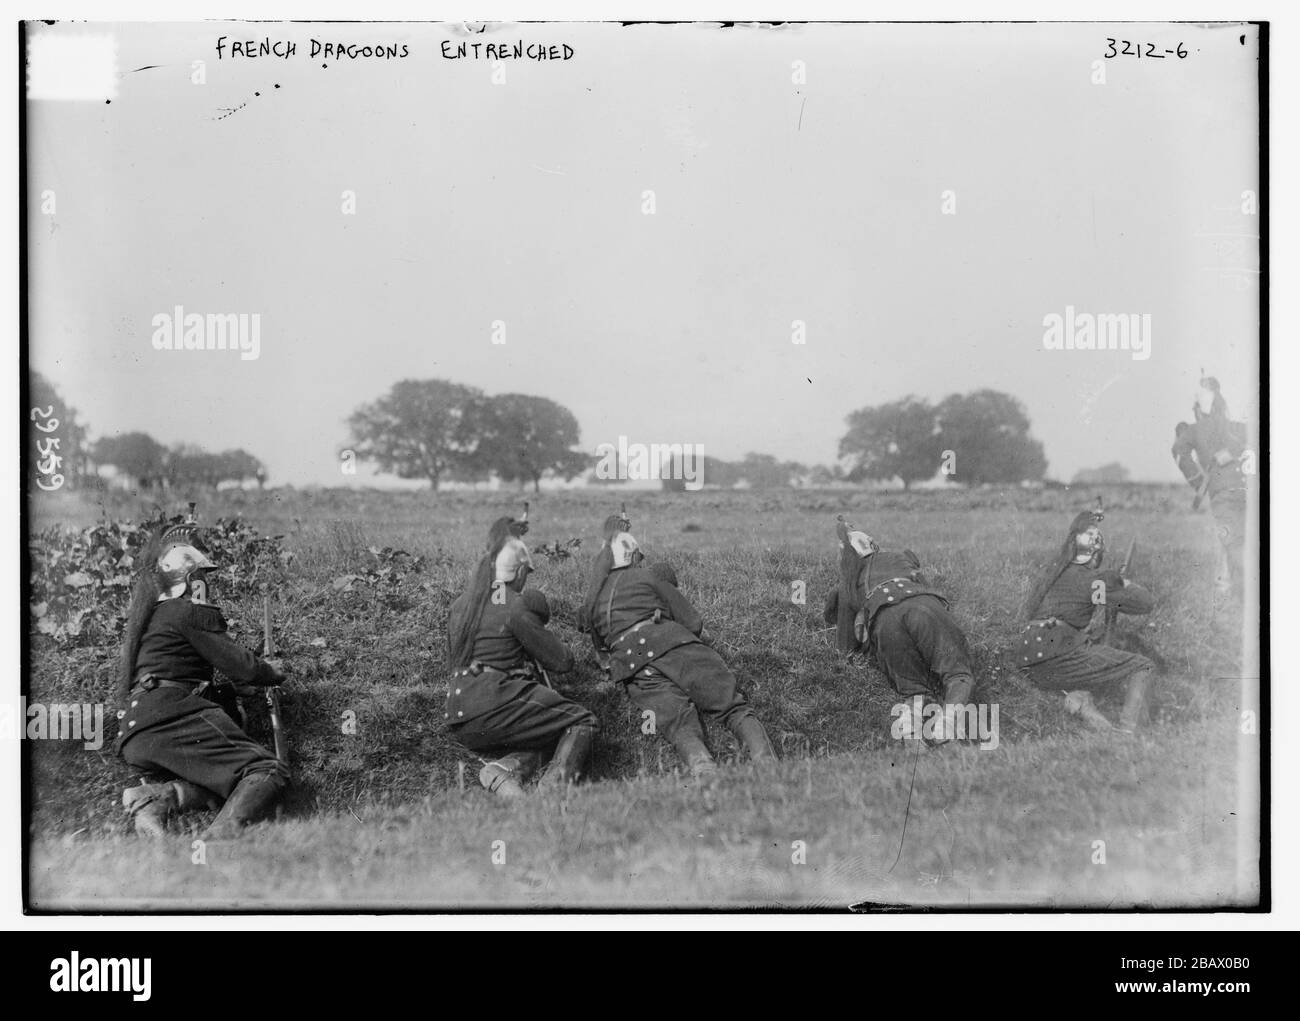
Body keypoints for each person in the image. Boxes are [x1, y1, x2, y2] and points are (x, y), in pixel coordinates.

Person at [116, 520, 290, 839]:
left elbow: (181, 671)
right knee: (267, 770)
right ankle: (218, 843)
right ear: (173, 569)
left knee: (228, 783)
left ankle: (155, 798)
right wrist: (271, 671)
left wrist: (235, 688)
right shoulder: (185, 611)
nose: (201, 579)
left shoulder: (152, 616)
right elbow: (244, 666)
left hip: (139, 731)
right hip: (170, 717)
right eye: (195, 569)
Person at [581, 511, 777, 780]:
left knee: (676, 722)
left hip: (632, 667)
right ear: (632, 556)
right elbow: (693, 622)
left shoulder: (595, 598)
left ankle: (703, 768)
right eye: (639, 556)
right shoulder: (647, 578)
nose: (642, 560)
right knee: (732, 707)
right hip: (673, 645)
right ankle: (766, 764)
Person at [445, 514, 596, 798]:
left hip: (459, 716)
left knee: (547, 728)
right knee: (581, 720)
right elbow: (562, 662)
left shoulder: (459, 606)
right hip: (495, 704)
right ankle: (553, 792)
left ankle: (504, 771)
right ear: (519, 572)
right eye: (527, 573)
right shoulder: (514, 605)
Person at [822, 516, 977, 741]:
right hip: (922, 604)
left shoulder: (846, 585)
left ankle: (912, 737)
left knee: (913, 691)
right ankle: (947, 726)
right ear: (873, 546)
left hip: (884, 620)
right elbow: (925, 585)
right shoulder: (899, 557)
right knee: (958, 674)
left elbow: (845, 647)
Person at [1017, 507, 1156, 733]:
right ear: (1095, 555)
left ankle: (1082, 704)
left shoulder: (1053, 573)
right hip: (1059, 654)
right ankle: (1129, 733)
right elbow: (1145, 603)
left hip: (1029, 660)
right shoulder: (1094, 580)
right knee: (1144, 666)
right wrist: (1124, 583)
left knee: (1093, 664)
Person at [1171, 375, 1250, 594]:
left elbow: (1179, 452)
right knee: (1235, 541)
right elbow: (1180, 451)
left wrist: (1198, 482)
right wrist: (1200, 482)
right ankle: (1234, 589)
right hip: (1230, 494)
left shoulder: (1230, 427)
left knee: (1233, 541)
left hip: (1237, 493)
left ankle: (1229, 588)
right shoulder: (1197, 430)